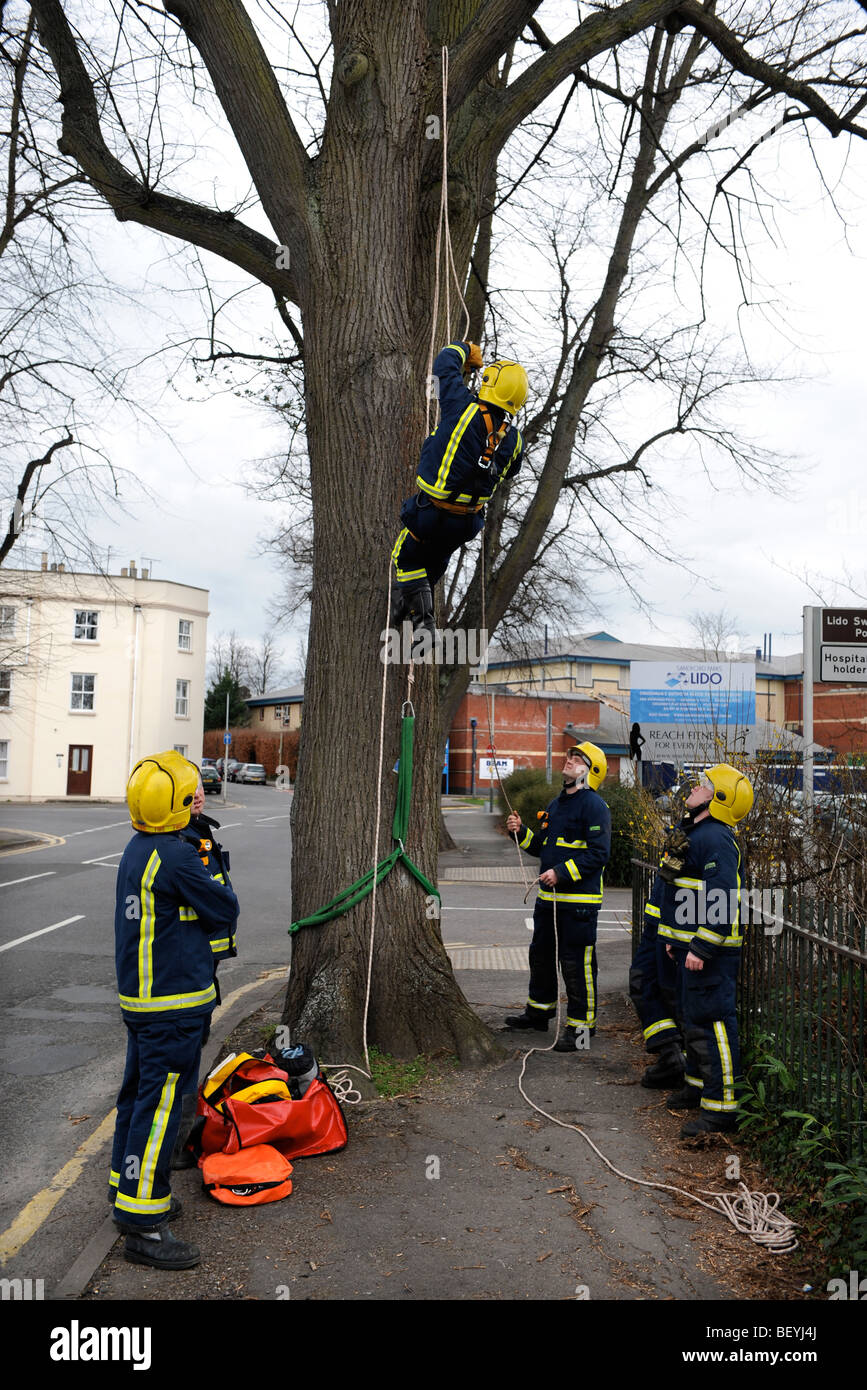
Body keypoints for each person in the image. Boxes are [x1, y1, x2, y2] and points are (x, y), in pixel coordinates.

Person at [109, 750, 240, 1268]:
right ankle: (142, 1225)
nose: (196, 799)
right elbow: (224, 907)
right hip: (174, 1006)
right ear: (174, 807)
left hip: (145, 1004)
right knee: (162, 1110)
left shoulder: (140, 846)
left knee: (138, 1101)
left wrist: (192, 822)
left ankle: (131, 1190)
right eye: (190, 796)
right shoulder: (181, 855)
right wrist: (202, 839)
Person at [390, 340, 527, 640]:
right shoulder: (515, 440)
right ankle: (404, 611)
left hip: (432, 511)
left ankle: (424, 622)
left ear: (491, 385)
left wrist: (467, 350)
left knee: (407, 556)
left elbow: (443, 364)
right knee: (433, 562)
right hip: (466, 522)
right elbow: (511, 469)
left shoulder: (462, 407)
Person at [654, 763, 754, 1136]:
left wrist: (700, 946)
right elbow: (683, 893)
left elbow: (723, 898)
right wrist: (675, 940)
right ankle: (698, 1088)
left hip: (709, 956)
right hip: (690, 951)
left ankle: (722, 1111)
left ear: (719, 798)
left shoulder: (715, 839)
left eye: (705, 784)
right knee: (693, 1019)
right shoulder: (697, 832)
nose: (696, 786)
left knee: (714, 1025)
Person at [503, 744, 611, 1051]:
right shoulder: (557, 803)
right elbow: (541, 848)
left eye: (578, 759)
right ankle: (539, 1013)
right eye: (570, 756)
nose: (569, 760)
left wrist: (561, 873)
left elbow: (599, 854)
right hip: (548, 902)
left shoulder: (595, 807)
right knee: (541, 957)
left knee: (577, 966)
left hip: (579, 905)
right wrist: (520, 831)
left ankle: (582, 1029)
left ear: (590, 773)